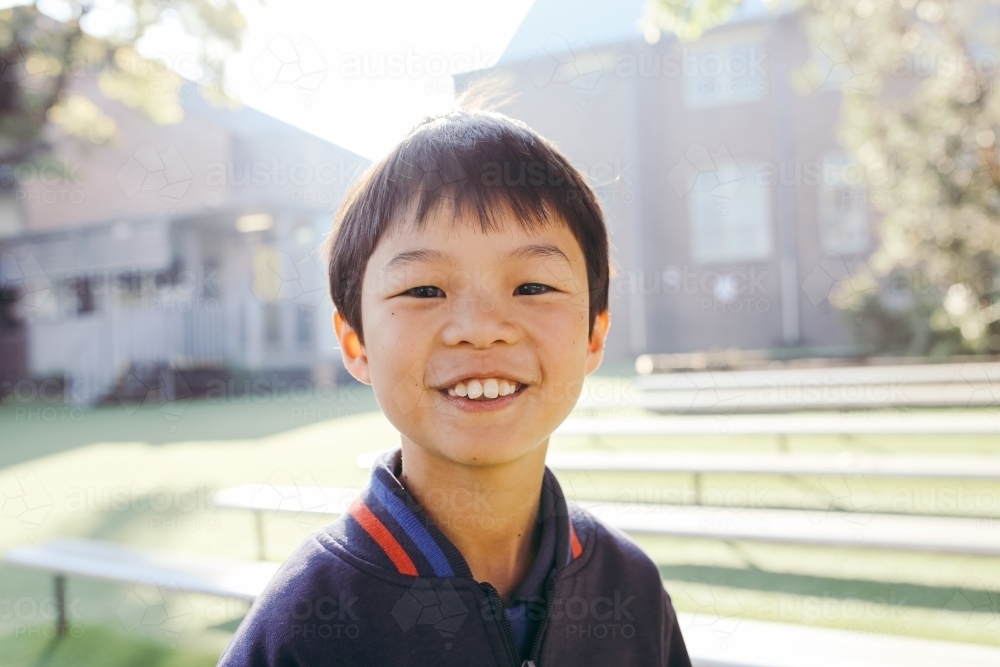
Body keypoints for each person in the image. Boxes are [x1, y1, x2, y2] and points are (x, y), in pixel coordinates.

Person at [218, 108, 691, 666]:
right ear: (356, 343)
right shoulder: (305, 625)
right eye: (423, 290)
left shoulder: (629, 588)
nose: (480, 328)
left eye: (533, 285)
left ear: (595, 333)